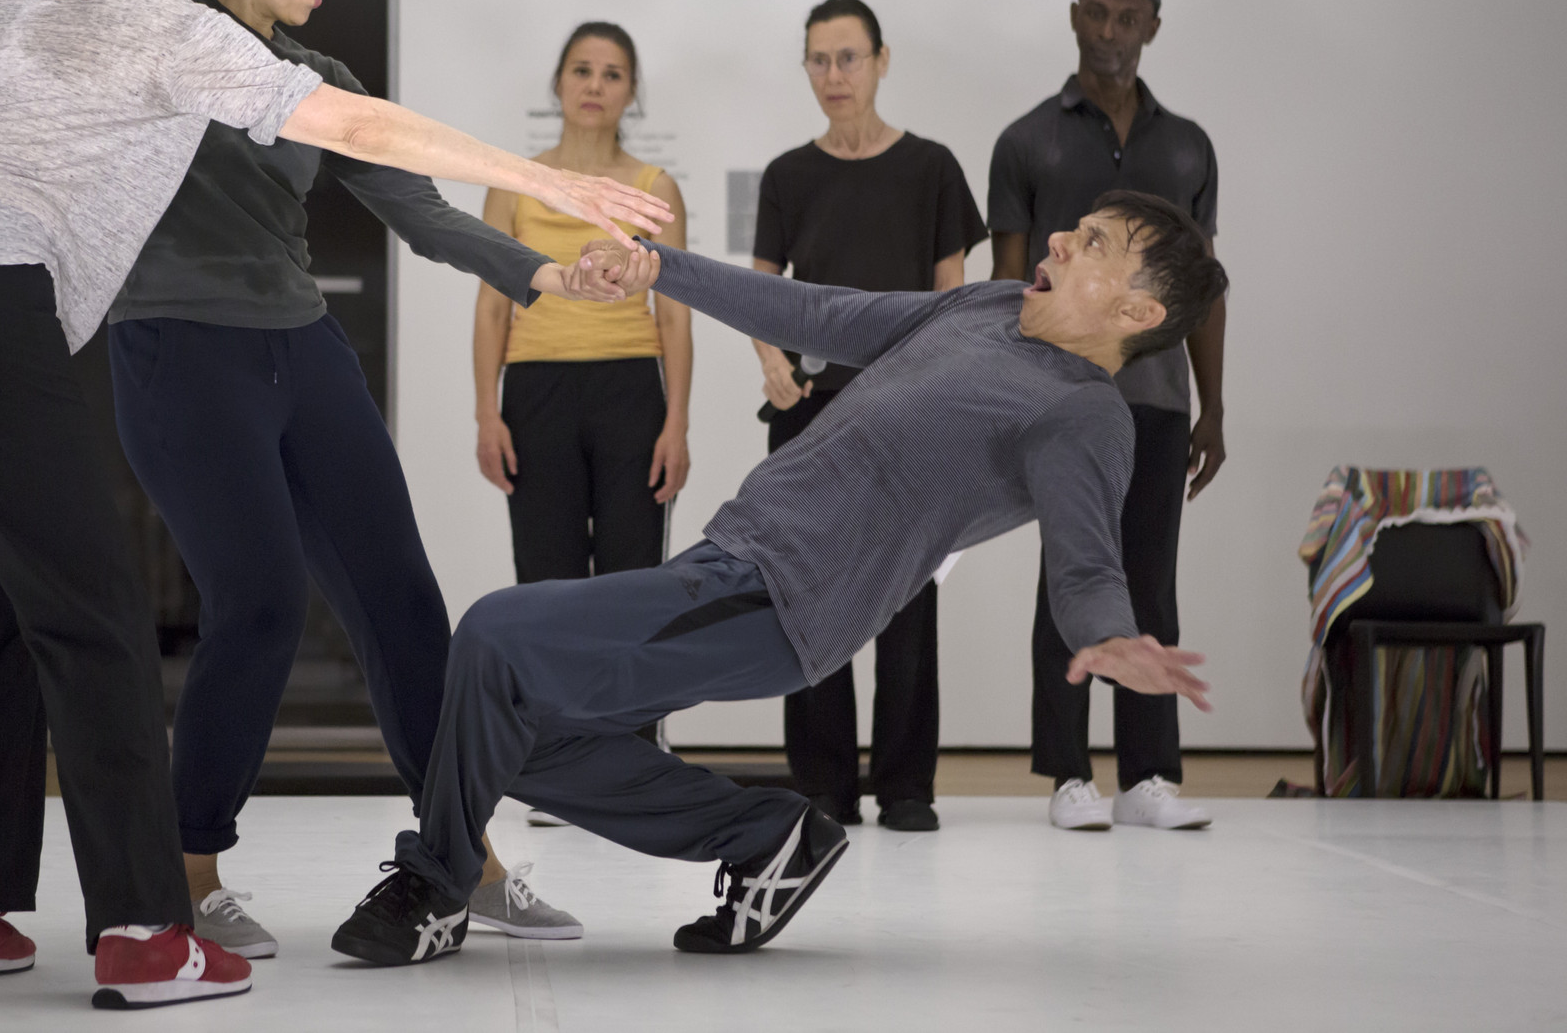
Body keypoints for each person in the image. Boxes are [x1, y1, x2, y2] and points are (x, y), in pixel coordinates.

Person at [0, 0, 667, 1010]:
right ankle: (155, 914)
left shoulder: (47, 3)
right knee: (127, 617)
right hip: (60, 320)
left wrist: (541, 264)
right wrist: (547, 177)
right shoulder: (168, 26)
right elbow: (353, 125)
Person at [330, 191, 1227, 966]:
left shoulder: (1083, 413)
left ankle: (436, 887)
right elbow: (823, 316)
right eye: (1078, 228)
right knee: (506, 731)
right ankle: (770, 835)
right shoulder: (988, 307)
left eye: (1098, 245)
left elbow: (1086, 557)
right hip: (731, 563)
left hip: (780, 600)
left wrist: (1105, 631)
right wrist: (659, 268)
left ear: (1139, 315)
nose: (1062, 241)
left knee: (494, 632)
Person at [986, 0, 1227, 833]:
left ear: (1154, 25)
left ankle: (1150, 774)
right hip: (1059, 395)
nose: (1112, 33)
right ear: (1075, 17)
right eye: (1098, 15)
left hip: (1159, 399)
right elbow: (1009, 283)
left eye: (1130, 18)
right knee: (1070, 575)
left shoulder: (1188, 144)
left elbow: (1206, 289)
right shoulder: (1027, 140)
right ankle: (1065, 776)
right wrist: (1012, 394)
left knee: (1149, 580)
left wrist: (1217, 406)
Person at [752, 0, 985, 833]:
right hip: (814, 416)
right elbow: (763, 290)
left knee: (906, 601)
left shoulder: (931, 169)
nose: (833, 76)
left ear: (883, 60)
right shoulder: (788, 175)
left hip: (909, 416)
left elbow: (953, 301)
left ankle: (906, 783)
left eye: (849, 57)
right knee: (810, 595)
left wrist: (939, 399)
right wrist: (772, 362)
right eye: (818, 59)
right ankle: (822, 781)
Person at [472, 22, 691, 803]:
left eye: (612, 73)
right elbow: (494, 304)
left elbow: (675, 316)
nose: (595, 85)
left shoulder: (656, 186)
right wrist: (485, 414)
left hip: (633, 393)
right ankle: (561, 766)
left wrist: (677, 423)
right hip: (536, 396)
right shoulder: (517, 182)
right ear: (559, 83)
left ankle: (630, 761)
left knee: (635, 582)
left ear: (631, 91)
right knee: (549, 583)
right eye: (582, 70)